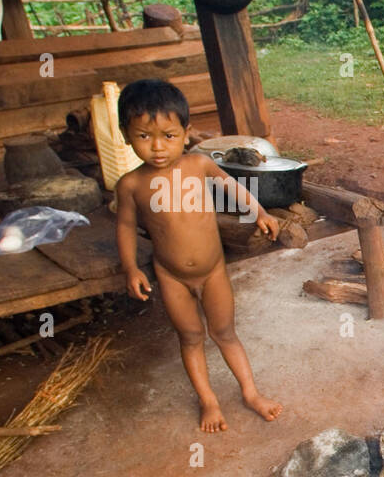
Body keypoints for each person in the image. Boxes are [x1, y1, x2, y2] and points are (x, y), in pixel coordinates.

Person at [114, 78, 283, 433]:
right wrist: (130, 267)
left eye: (169, 135)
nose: (157, 147)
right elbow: (127, 228)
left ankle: (251, 393)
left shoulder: (198, 165)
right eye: (144, 136)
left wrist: (261, 213)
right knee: (191, 337)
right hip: (172, 276)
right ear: (125, 134)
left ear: (186, 132)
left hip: (213, 271)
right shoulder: (130, 184)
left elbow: (235, 188)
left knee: (225, 332)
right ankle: (208, 400)